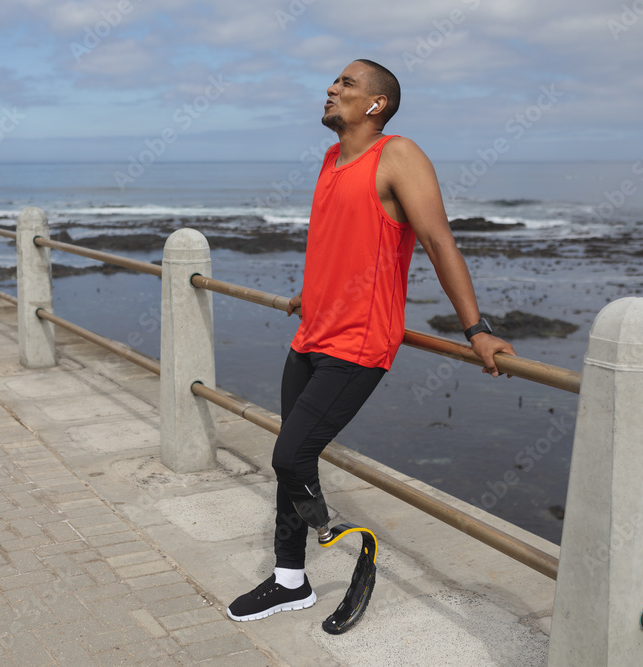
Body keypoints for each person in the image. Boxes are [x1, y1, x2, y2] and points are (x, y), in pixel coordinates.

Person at [226, 59, 517, 622]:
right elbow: (338, 238)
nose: (332, 89)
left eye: (347, 84)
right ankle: (290, 580)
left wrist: (476, 330)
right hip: (312, 334)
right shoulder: (332, 158)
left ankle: (339, 534)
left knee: (290, 454)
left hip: (357, 345)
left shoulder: (399, 156)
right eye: (335, 82)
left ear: (376, 104)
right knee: (292, 463)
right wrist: (312, 292)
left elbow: (437, 241)